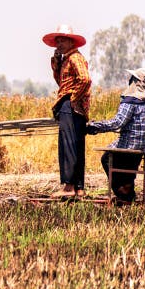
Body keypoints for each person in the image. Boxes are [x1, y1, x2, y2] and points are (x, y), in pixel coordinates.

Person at [86, 68, 145, 204]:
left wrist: (95, 126)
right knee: (131, 158)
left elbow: (118, 122)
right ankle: (128, 189)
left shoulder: (131, 99)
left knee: (106, 158)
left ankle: (123, 192)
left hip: (133, 142)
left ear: (136, 82)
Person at [43, 24, 92, 199]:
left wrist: (72, 99)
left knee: (68, 145)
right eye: (57, 41)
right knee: (76, 145)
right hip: (74, 107)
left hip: (69, 105)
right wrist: (56, 63)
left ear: (71, 41)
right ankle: (79, 188)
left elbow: (85, 79)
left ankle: (69, 187)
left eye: (62, 40)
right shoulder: (67, 59)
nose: (59, 44)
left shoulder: (74, 58)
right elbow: (62, 83)